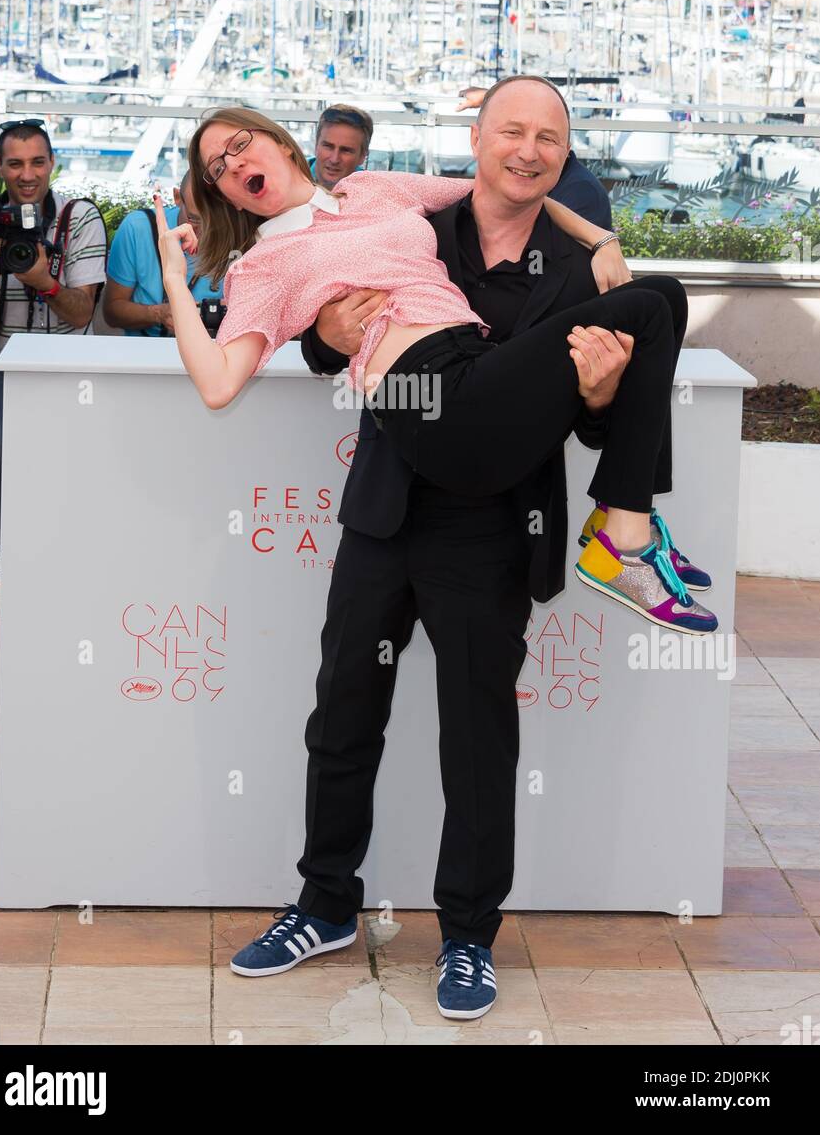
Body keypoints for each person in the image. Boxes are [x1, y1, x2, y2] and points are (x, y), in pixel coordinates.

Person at [153, 89, 716, 1021]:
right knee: (341, 715)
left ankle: (466, 938)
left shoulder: (461, 224)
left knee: (477, 734)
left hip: (491, 509)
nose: (524, 154)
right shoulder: (306, 250)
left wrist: (604, 351)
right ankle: (324, 904)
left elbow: (583, 415)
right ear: (479, 141)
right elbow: (264, 363)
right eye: (217, 164)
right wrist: (235, 297)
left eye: (547, 141)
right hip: (392, 494)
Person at [0, 119, 107, 580]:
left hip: (68, 365)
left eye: (38, 162)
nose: (28, 174)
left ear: (52, 164)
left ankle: (74, 537)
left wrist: (43, 281)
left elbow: (82, 313)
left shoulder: (78, 219)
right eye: (16, 163)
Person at [457, 84, 612, 229]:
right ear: (476, 140)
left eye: (546, 138)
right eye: (513, 133)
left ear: (565, 150)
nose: (528, 154)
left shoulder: (582, 192)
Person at [103, 171, 223, 337]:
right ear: (177, 197)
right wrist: (158, 313)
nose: (204, 231)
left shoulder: (238, 234)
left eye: (217, 220)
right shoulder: (137, 228)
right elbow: (111, 312)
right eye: (195, 219)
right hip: (146, 355)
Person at [308, 104, 373, 191]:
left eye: (346, 150)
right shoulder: (289, 178)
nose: (334, 160)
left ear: (363, 156)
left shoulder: (370, 192)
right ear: (316, 146)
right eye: (328, 146)